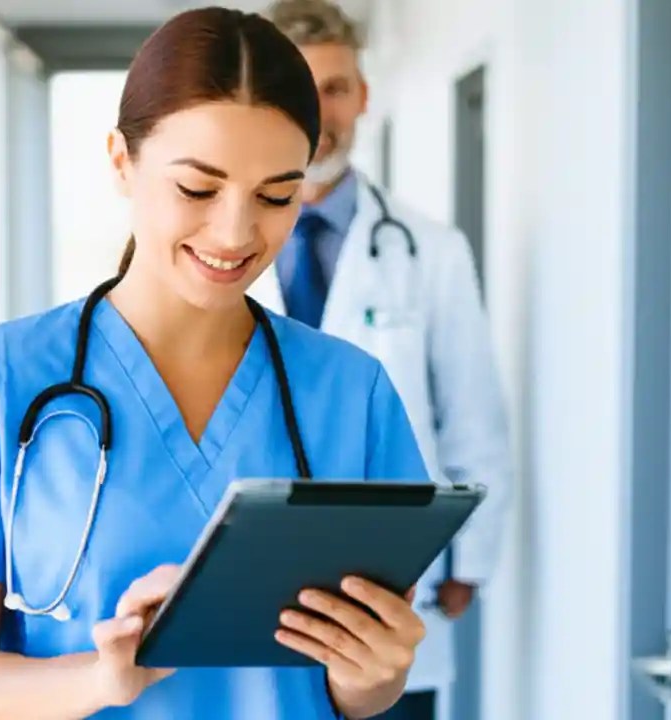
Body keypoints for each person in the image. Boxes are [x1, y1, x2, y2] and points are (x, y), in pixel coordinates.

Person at [0, 8, 436, 719]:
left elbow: (359, 695)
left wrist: (374, 675)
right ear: (120, 162)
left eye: (276, 195)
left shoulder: (352, 393)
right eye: (197, 188)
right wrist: (98, 681)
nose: (235, 232)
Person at [257, 2, 515, 718]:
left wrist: (467, 564)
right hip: (253, 579)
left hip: (391, 583)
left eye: (335, 87)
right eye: (296, 87)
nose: (319, 110)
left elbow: (472, 413)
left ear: (364, 96)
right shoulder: (223, 246)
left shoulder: (429, 249)